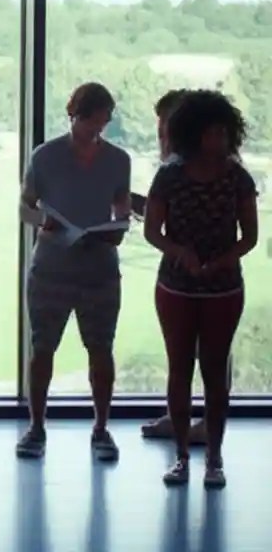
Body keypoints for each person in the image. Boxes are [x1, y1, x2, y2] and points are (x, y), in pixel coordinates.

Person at [144, 90, 256, 489]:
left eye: (224, 133)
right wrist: (180, 252)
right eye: (211, 133)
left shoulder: (238, 176)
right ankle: (180, 456)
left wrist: (226, 258)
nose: (219, 141)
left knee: (214, 370)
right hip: (176, 285)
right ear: (193, 134)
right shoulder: (170, 175)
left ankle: (214, 457)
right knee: (179, 368)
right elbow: (151, 231)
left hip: (223, 287)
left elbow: (251, 237)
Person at [17, 82, 131, 461]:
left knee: (101, 348)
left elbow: (121, 209)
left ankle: (101, 428)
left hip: (99, 267)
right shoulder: (45, 156)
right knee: (42, 347)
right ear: (74, 115)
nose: (94, 132)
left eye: (101, 125)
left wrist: (117, 229)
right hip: (51, 267)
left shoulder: (118, 160)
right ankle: (36, 427)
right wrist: (43, 221)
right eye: (89, 123)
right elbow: (25, 207)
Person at [140, 88, 219, 447]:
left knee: (213, 359)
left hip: (213, 280)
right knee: (180, 357)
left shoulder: (216, 169)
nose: (161, 138)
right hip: (176, 278)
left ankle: (207, 426)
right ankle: (180, 417)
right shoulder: (170, 172)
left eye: (166, 130)